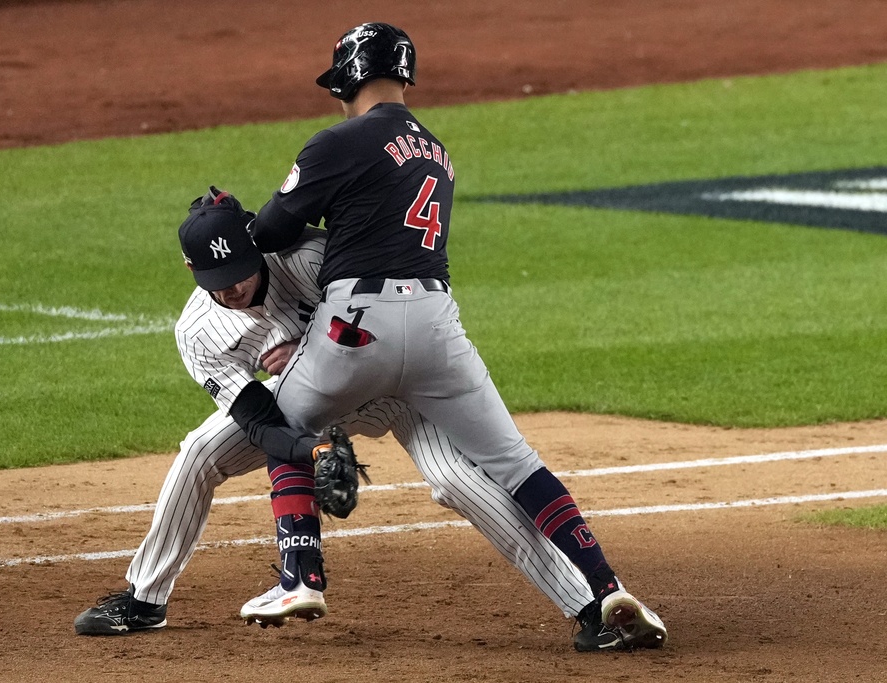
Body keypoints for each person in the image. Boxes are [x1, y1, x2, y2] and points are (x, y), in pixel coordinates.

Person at [227, 23, 667, 650]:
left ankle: (301, 578)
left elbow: (270, 231)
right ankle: (606, 584)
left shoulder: (336, 142)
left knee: (288, 429)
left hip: (356, 325)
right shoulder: (436, 149)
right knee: (517, 463)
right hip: (438, 325)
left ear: (349, 80)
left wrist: (242, 227)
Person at [73, 190, 614, 650]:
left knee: (458, 482)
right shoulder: (197, 332)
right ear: (191, 270)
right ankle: (145, 600)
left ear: (257, 244)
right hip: (304, 407)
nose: (232, 287)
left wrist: (311, 351)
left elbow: (392, 316)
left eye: (240, 270)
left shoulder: (311, 257)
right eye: (219, 278)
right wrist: (313, 451)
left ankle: (592, 607)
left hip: (397, 389)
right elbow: (260, 421)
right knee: (199, 453)